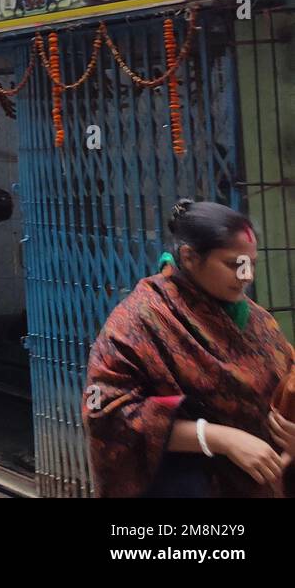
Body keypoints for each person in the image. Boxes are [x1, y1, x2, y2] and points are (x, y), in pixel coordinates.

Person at [85, 199, 295, 497]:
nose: (248, 276)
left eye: (252, 264)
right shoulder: (139, 321)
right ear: (190, 257)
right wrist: (217, 438)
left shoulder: (259, 321)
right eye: (234, 264)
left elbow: (287, 384)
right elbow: (105, 414)